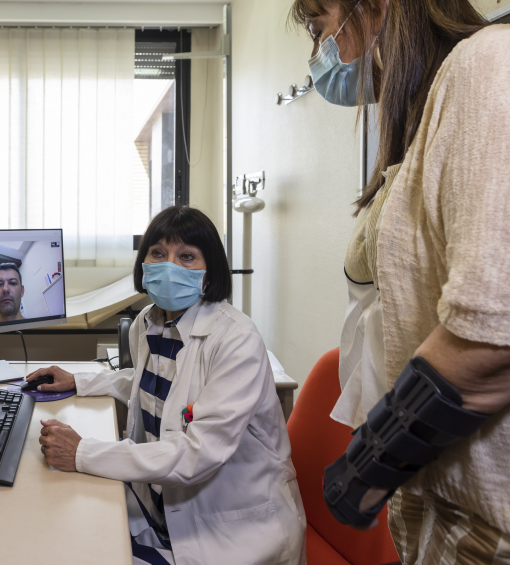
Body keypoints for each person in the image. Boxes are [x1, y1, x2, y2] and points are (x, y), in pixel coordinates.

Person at [290, 0, 510, 562]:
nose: (319, 53)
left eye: (322, 28)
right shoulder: (433, 119)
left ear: (374, 6)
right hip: (454, 505)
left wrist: (369, 464)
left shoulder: (503, 67)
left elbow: (498, 333)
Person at [27, 206, 306, 565]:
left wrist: (83, 452)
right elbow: (154, 385)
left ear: (209, 272)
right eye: (158, 253)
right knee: (62, 532)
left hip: (231, 531)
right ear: (144, 262)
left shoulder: (236, 339)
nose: (169, 265)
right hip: (162, 510)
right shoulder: (149, 321)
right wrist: (80, 381)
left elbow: (198, 452)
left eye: (186, 256)